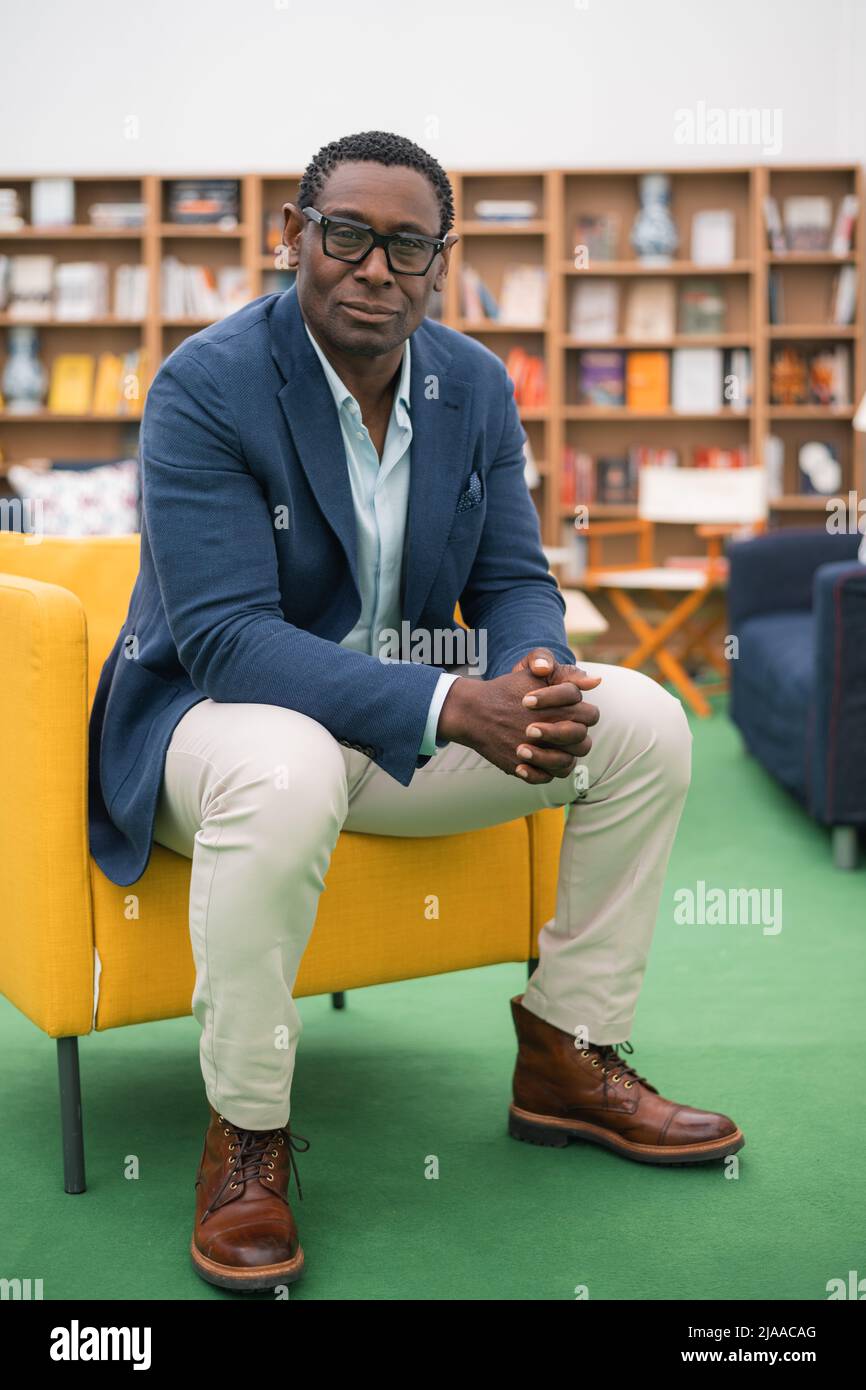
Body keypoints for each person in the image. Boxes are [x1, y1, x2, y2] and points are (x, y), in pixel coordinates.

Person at [87, 130, 744, 1294]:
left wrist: (534, 673)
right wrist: (449, 700)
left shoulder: (473, 383)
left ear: (438, 259)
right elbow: (231, 640)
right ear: (293, 236)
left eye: (406, 245)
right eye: (345, 234)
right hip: (214, 727)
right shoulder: (206, 383)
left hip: (391, 732)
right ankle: (246, 1137)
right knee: (286, 761)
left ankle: (565, 1052)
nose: (372, 268)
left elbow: (507, 577)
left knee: (638, 717)